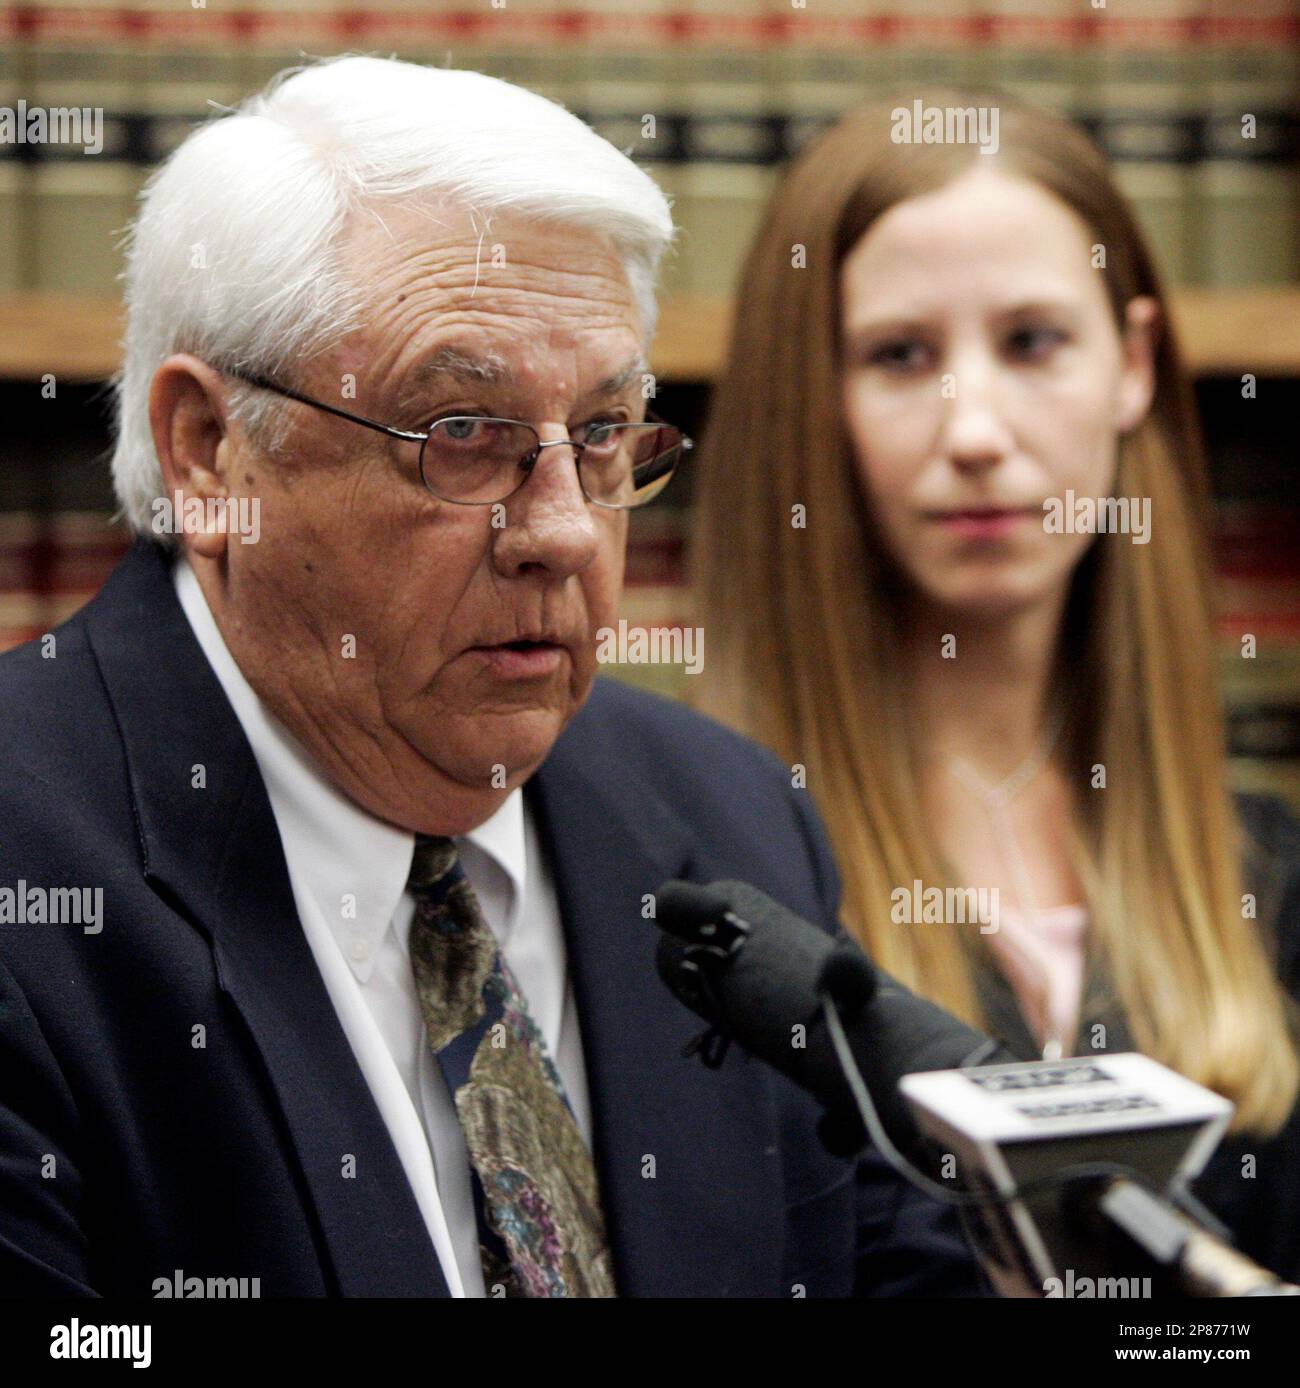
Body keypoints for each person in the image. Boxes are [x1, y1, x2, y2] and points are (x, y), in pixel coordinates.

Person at [0, 56, 988, 1299]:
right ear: (209, 453)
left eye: (603, 433)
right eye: (462, 435)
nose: (567, 530)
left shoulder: (726, 822)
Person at [688, 88, 1300, 1281]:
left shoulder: (1270, 880)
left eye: (1031, 342)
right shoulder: (722, 902)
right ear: (812, 400)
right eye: (901, 354)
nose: (974, 429)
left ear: (1129, 365)